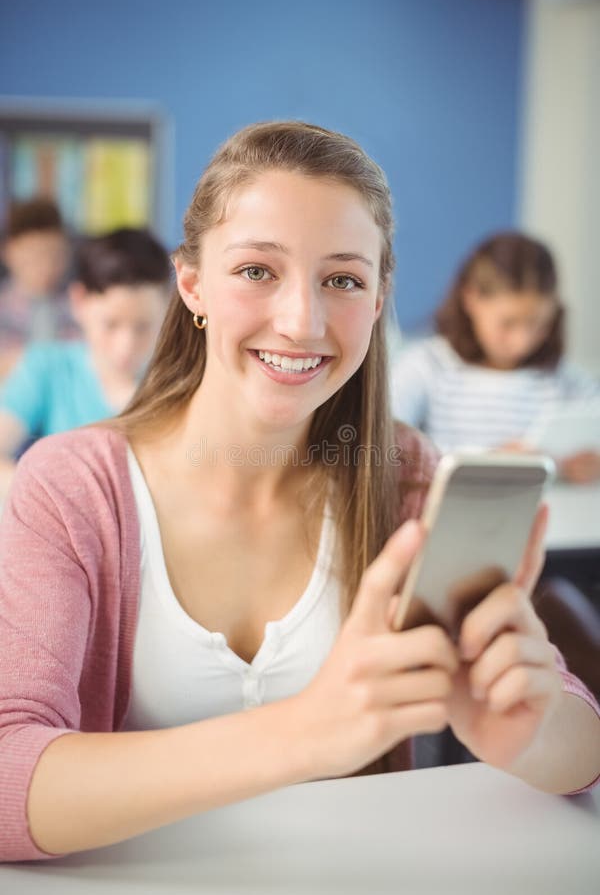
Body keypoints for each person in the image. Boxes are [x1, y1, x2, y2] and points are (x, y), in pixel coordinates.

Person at [0, 123, 598, 863]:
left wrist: (533, 731)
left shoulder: (408, 476)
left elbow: (582, 749)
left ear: (378, 300)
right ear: (191, 283)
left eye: (343, 280)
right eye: (257, 270)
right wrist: (304, 732)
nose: (301, 322)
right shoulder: (72, 487)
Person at [390, 232, 600, 483]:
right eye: (508, 323)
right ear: (471, 298)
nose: (522, 342)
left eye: (538, 323)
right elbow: (383, 445)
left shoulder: (565, 380)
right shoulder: (425, 366)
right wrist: (490, 460)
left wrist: (577, 464)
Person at [0, 227, 171, 501]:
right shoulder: (47, 368)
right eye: (110, 324)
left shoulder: (177, 383)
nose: (125, 346)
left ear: (167, 308)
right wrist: (57, 495)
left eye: (143, 326)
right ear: (79, 302)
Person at [0, 198, 79, 378]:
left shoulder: (81, 305)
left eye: (55, 255)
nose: (45, 267)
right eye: (34, 256)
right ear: (8, 252)